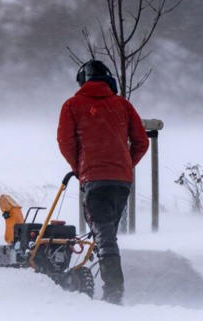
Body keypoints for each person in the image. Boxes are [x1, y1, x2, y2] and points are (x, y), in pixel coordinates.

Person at [56, 60, 150, 304]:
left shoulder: (72, 105)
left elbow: (66, 143)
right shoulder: (123, 105)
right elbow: (142, 141)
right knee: (107, 233)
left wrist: (79, 168)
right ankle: (108, 285)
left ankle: (114, 292)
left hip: (94, 180)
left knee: (104, 235)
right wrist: (125, 165)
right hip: (121, 183)